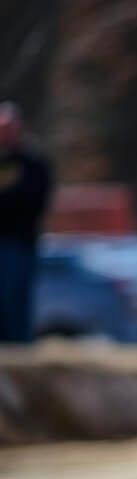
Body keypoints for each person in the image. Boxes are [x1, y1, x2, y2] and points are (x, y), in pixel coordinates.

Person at [0, 103, 54, 343]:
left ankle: (19, 352)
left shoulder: (32, 164)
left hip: (18, 245)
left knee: (15, 303)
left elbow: (33, 202)